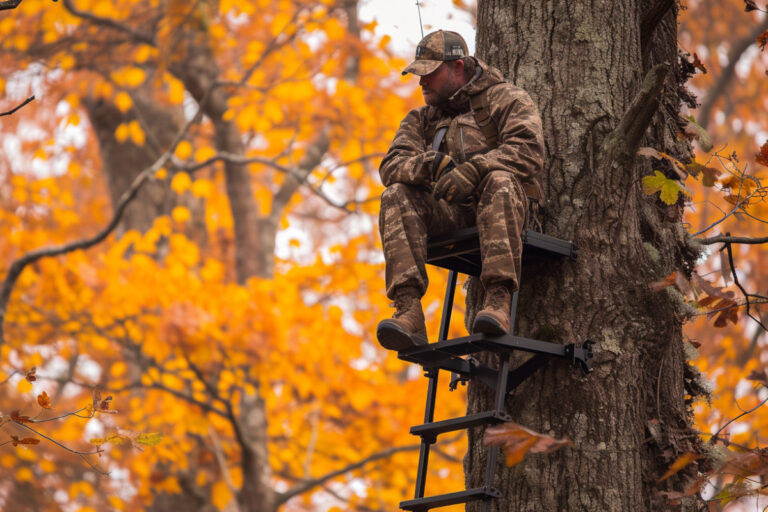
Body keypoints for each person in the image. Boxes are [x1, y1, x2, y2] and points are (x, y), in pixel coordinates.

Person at [376, 30, 545, 351]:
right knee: (395, 193)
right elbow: (391, 166)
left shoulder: (507, 99)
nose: (422, 82)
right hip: (449, 212)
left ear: (458, 67)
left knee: (499, 180)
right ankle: (408, 310)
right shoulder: (421, 119)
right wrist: (429, 166)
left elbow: (529, 151)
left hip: (504, 208)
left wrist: (475, 169)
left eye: (430, 73)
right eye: (419, 74)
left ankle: (498, 300)